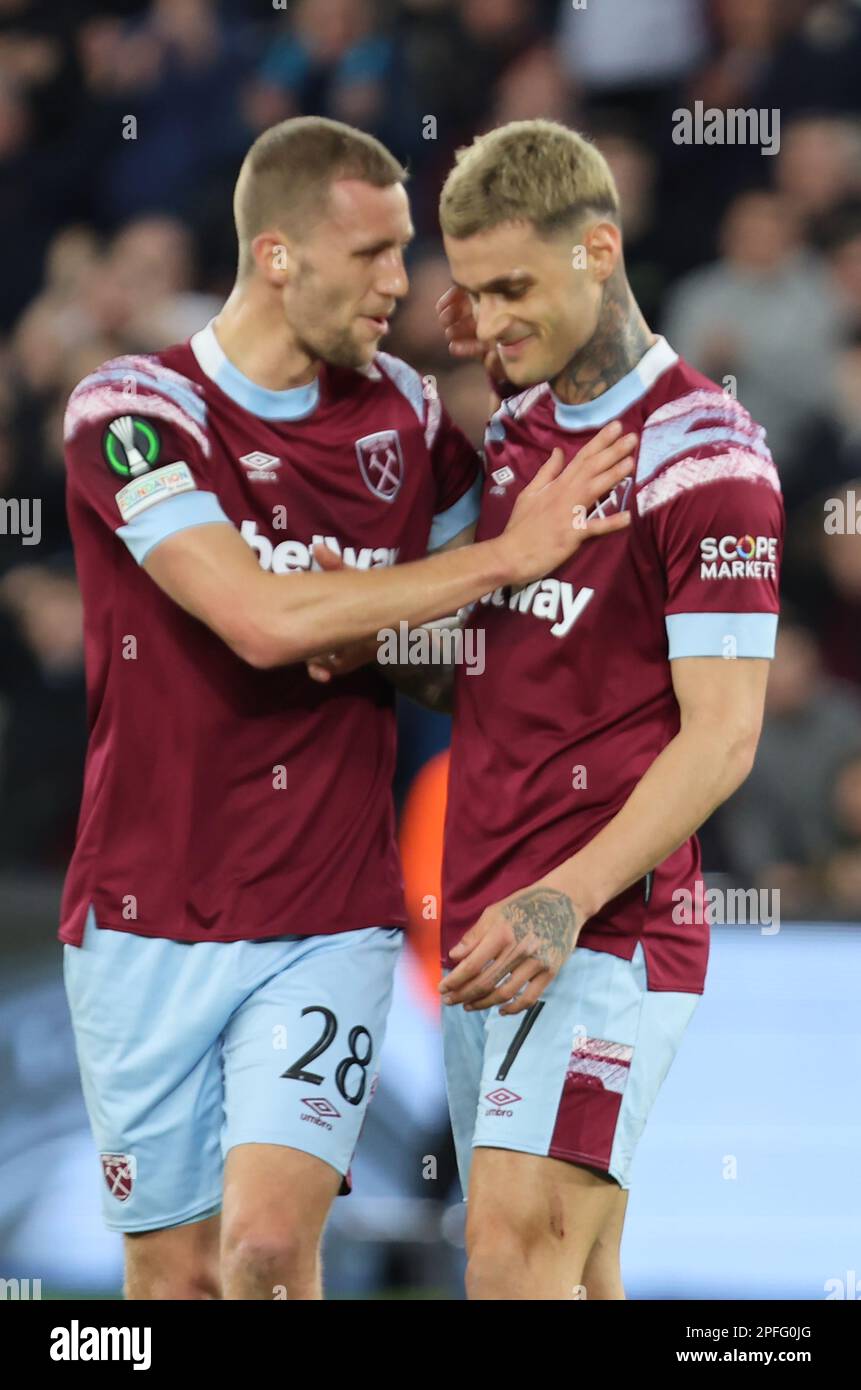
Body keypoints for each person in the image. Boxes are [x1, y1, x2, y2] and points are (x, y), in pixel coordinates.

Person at [60, 115, 633, 1301]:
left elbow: (468, 656)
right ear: (277, 255)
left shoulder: (406, 419)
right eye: (372, 254)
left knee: (269, 1252)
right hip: (142, 907)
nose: (401, 284)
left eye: (404, 252)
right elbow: (260, 620)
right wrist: (482, 563)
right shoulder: (130, 411)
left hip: (329, 905)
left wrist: (374, 620)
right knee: (170, 1283)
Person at [434, 119, 783, 1299]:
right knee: (575, 1274)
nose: (489, 320)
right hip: (494, 919)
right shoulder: (520, 426)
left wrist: (563, 900)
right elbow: (502, 660)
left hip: (599, 933)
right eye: (473, 292)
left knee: (509, 1260)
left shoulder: (706, 455)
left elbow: (725, 734)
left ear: (601, 247)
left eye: (515, 286)